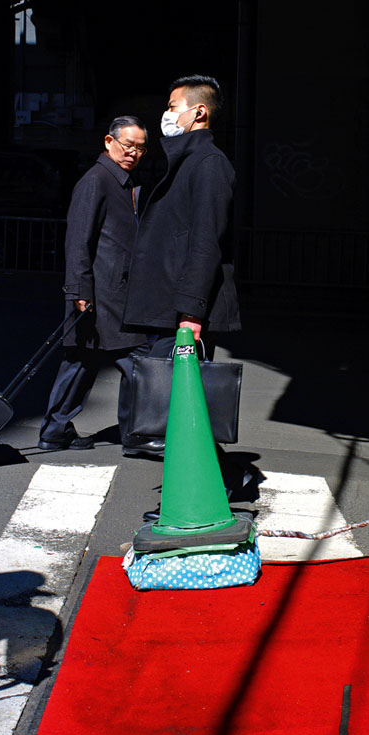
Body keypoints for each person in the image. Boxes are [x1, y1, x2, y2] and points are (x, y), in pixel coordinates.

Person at [122, 74, 241, 459]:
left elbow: (206, 241)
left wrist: (191, 311)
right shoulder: (187, 161)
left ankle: (201, 469)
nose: (167, 114)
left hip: (182, 308)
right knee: (170, 396)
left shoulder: (208, 164)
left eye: (173, 107)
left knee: (181, 396)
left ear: (199, 112)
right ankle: (185, 464)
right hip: (170, 303)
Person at [38, 116, 149, 451]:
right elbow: (78, 241)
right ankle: (137, 433)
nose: (133, 152)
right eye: (128, 145)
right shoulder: (97, 181)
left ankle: (55, 430)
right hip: (101, 293)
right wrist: (78, 291)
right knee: (136, 360)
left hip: (110, 291)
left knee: (82, 361)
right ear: (108, 142)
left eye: (140, 148)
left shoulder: (121, 182)